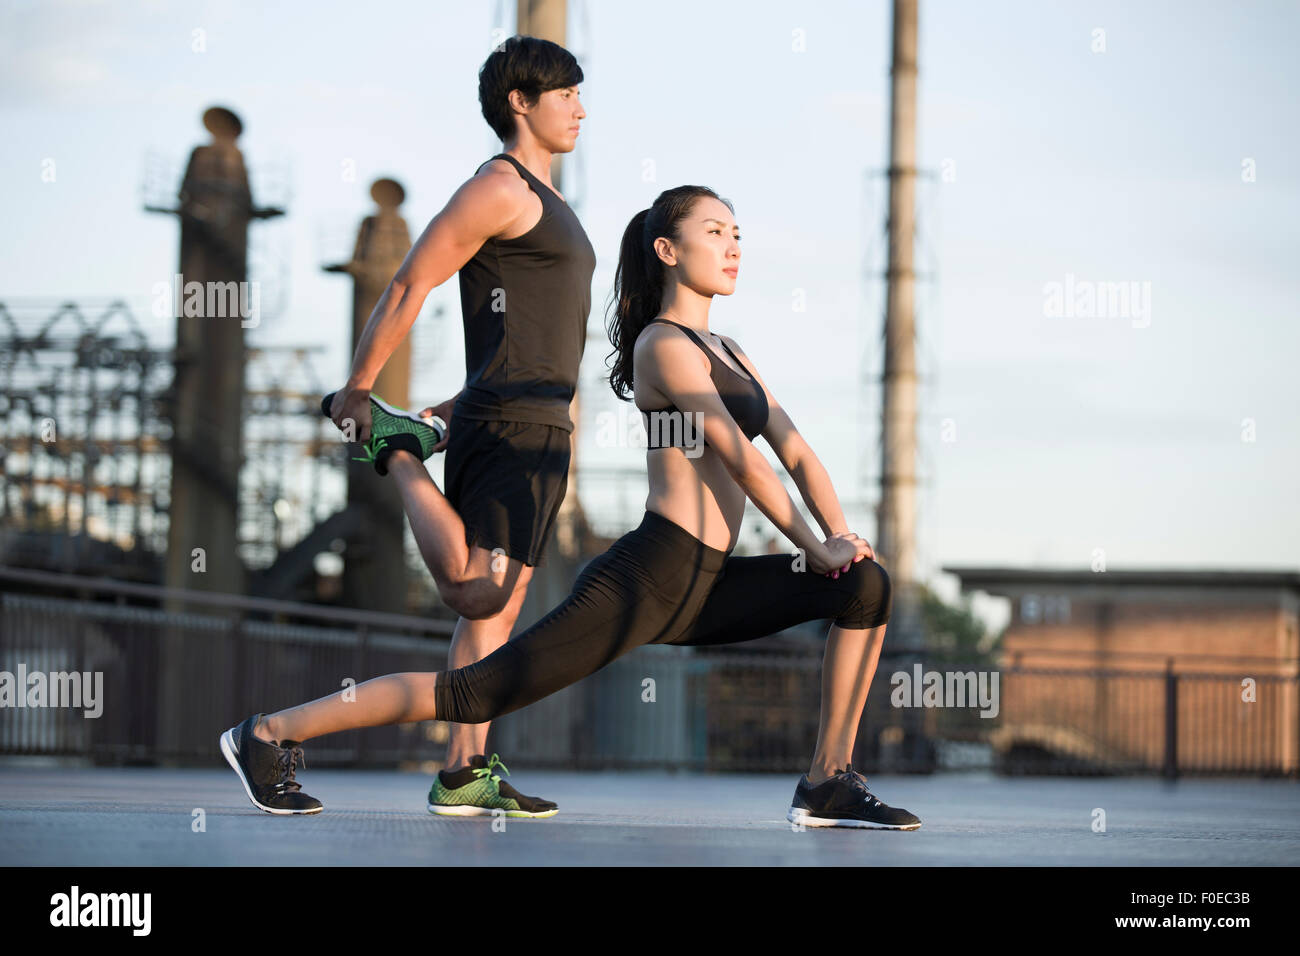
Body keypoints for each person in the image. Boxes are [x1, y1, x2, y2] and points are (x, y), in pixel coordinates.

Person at [222, 186, 921, 830]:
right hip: (647, 579)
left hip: (711, 586)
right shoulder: (662, 346)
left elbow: (794, 451)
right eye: (715, 231)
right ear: (668, 251)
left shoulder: (730, 350)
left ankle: (827, 781)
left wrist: (838, 537)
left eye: (737, 232)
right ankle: (268, 733)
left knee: (864, 583)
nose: (734, 245)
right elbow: (739, 455)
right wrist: (809, 541)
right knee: (473, 694)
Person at [321, 35, 596, 817]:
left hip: (535, 424)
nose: (580, 107)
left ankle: (463, 771)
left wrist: (461, 400)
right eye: (565, 93)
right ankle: (398, 450)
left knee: (502, 614)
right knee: (477, 593)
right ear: (521, 101)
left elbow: (525, 330)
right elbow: (412, 281)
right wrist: (361, 386)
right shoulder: (500, 189)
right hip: (510, 426)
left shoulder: (550, 202)